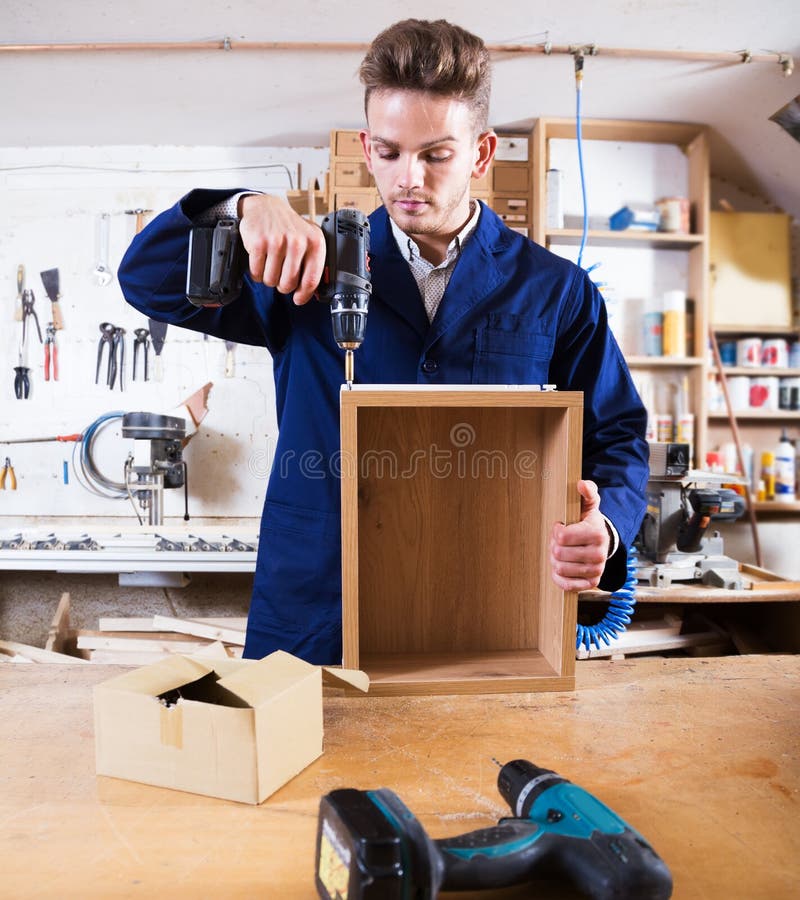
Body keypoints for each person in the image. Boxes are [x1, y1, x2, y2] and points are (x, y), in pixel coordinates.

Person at [119, 18, 648, 665]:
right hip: (318, 608)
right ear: (368, 148)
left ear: (481, 154)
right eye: (391, 152)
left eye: (435, 154)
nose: (408, 179)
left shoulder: (554, 291)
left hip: (483, 608)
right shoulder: (302, 265)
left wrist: (609, 526)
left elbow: (618, 433)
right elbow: (147, 281)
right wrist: (237, 209)